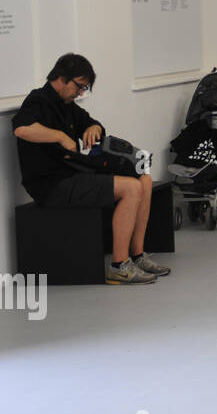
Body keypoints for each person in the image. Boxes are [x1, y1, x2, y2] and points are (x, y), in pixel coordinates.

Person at [11, 53, 167, 285]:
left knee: (143, 179)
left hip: (75, 174)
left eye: (84, 89)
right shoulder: (38, 101)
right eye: (79, 86)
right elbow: (22, 129)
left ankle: (137, 255)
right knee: (132, 189)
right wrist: (60, 136)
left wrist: (93, 128)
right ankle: (119, 266)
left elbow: (95, 125)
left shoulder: (68, 105)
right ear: (62, 79)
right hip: (52, 185)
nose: (80, 93)